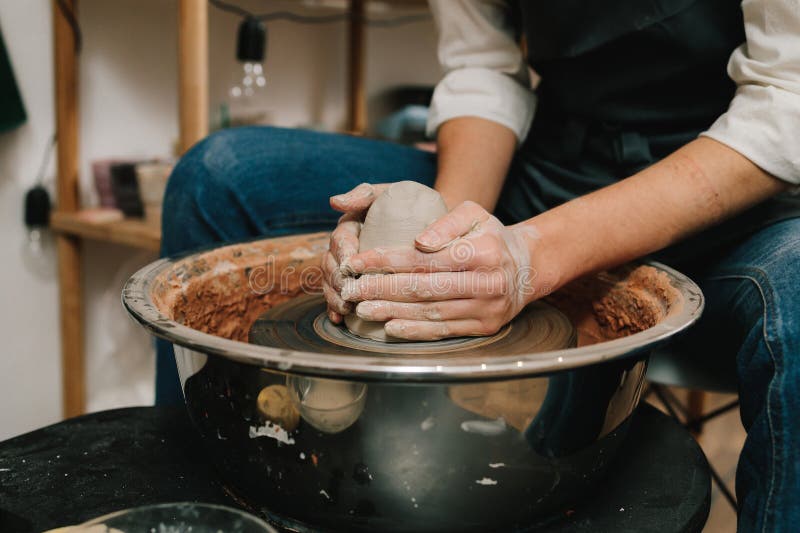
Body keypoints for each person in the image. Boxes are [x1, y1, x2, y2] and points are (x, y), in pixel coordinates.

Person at [159, 1, 799, 530]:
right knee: (220, 179)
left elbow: (786, 102)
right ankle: (191, 513)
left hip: (739, 191)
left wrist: (530, 257)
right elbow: (482, 66)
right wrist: (436, 239)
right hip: (556, 166)